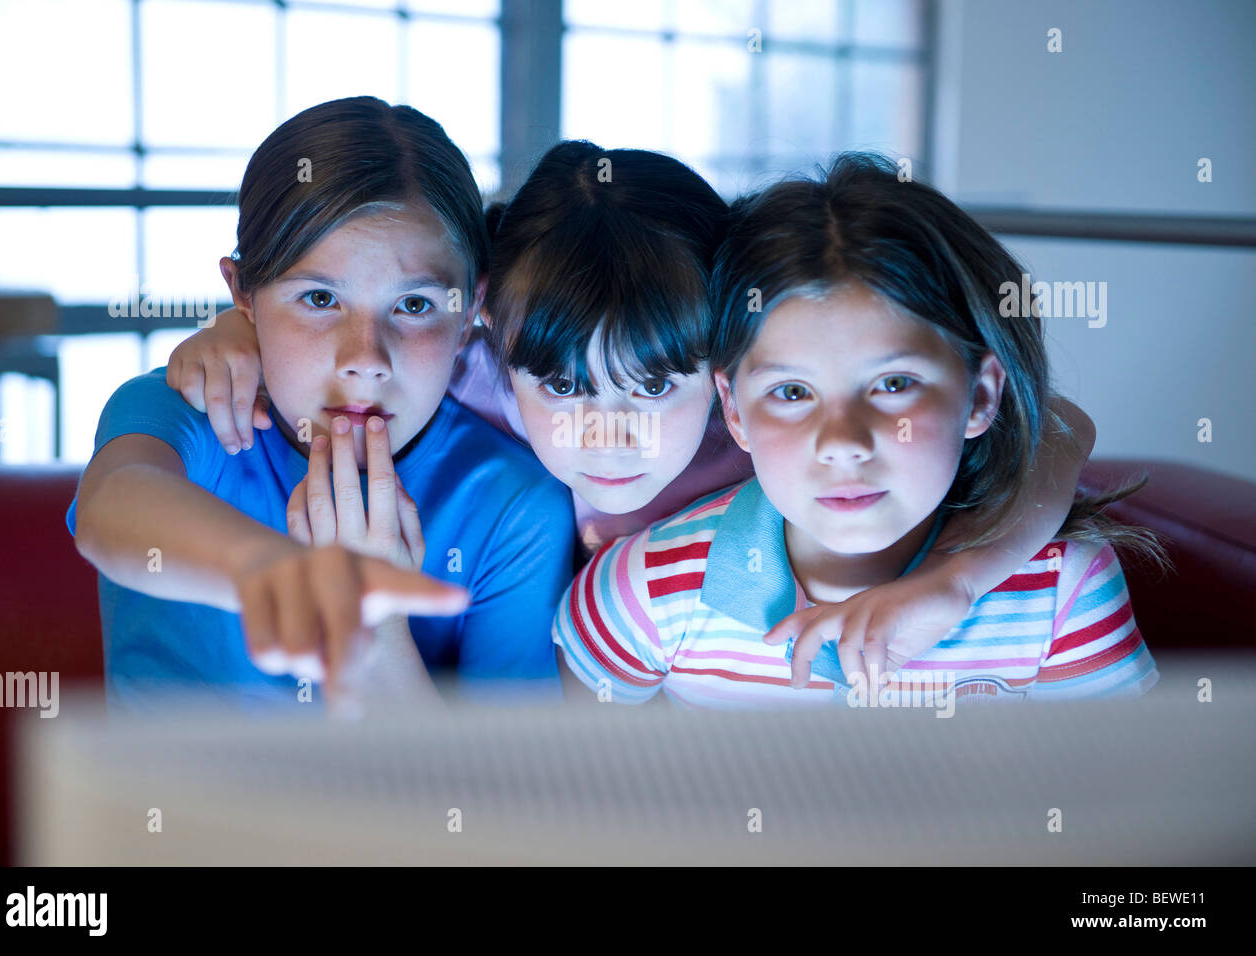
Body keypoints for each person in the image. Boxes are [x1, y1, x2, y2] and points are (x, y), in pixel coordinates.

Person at [167, 141, 1098, 686]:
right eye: (566, 391)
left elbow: (1053, 426)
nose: (607, 431)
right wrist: (237, 326)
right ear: (489, 324)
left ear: (727, 371)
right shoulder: (476, 365)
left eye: (657, 387)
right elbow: (373, 312)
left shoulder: (776, 428)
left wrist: (965, 577)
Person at [551, 152, 1161, 709]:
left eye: (894, 385)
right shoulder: (641, 594)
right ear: (733, 411)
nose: (843, 441)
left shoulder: (1061, 596)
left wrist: (954, 584)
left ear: (979, 395)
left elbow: (1127, 810)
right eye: (791, 393)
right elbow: (587, 800)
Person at [67, 97, 574, 712]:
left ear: (470, 310)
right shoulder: (190, 410)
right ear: (243, 295)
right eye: (318, 299)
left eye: (414, 305)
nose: (365, 356)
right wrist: (265, 568)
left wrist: (378, 625)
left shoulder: (514, 504)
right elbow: (111, 504)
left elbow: (500, 795)